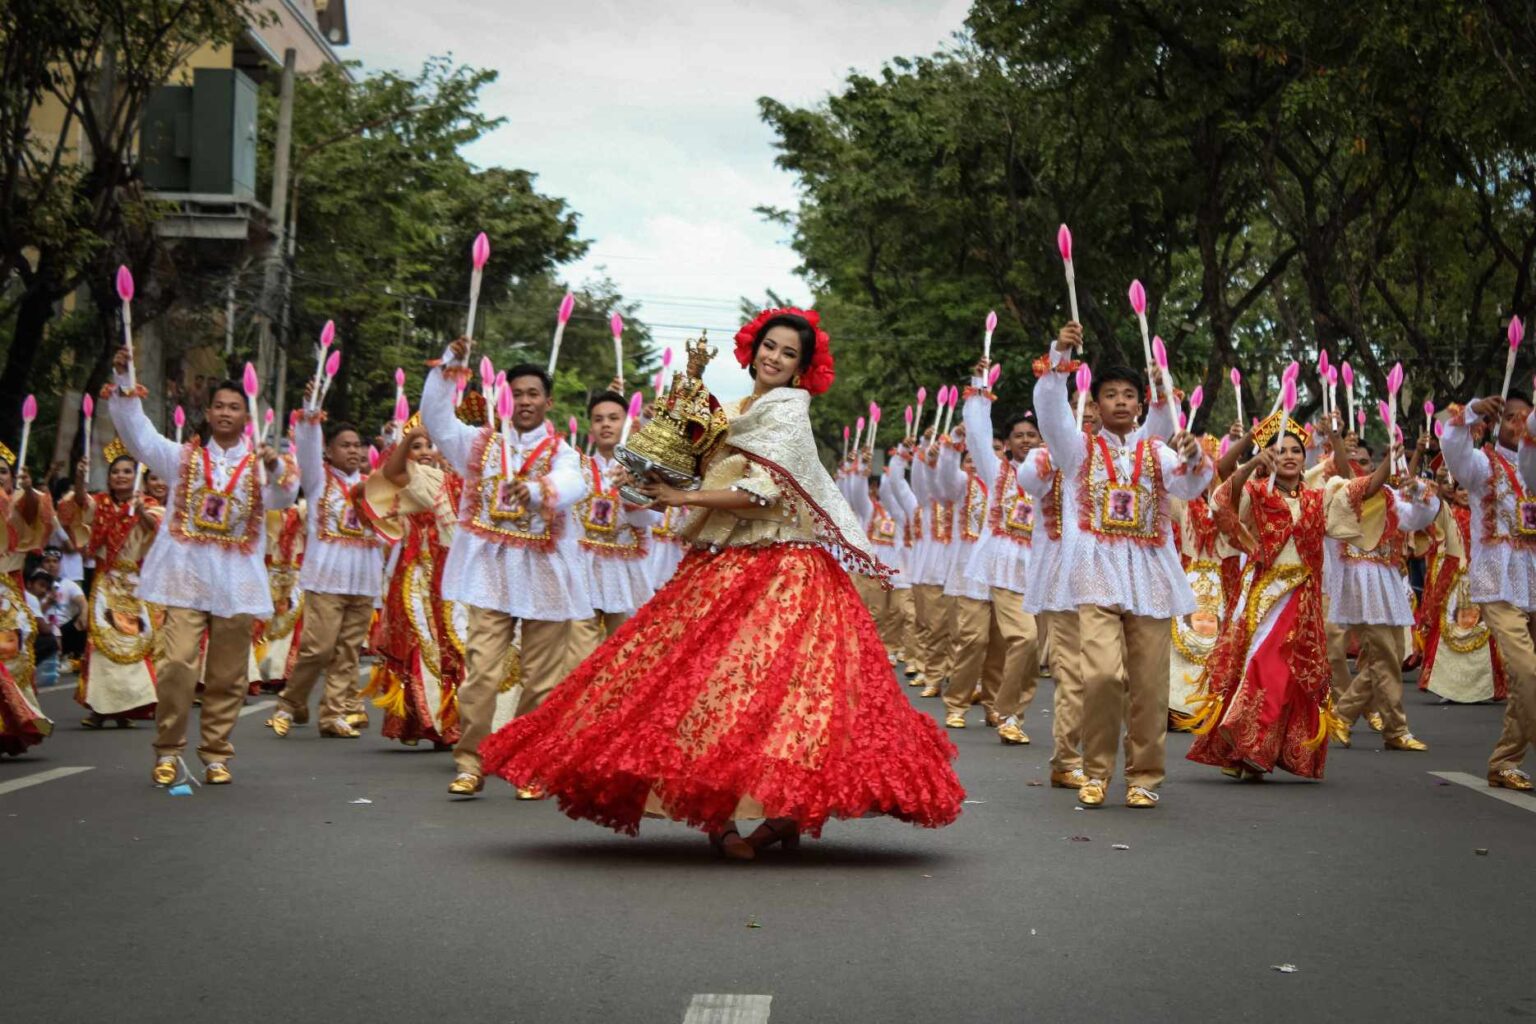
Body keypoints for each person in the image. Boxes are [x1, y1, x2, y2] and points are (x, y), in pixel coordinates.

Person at [478, 309, 964, 858]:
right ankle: (726, 816)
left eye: (788, 354)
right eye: (769, 346)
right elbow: (695, 472)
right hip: (720, 562)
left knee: (782, 696)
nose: (775, 358)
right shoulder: (732, 412)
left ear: (801, 369)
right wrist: (655, 475)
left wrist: (681, 497)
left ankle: (778, 813)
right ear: (753, 348)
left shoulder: (789, 413)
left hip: (785, 571)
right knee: (700, 688)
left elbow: (763, 493)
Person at [1034, 321, 1213, 809]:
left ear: (1140, 405)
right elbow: (1049, 410)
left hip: (1149, 576)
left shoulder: (1157, 450)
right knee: (1102, 676)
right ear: (1095, 405)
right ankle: (1096, 771)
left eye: (1129, 395)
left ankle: (1144, 777)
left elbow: (1188, 485)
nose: (1119, 402)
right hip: (1095, 572)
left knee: (1149, 684)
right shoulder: (1076, 449)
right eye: (1110, 394)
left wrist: (1194, 458)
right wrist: (1059, 356)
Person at [107, 348, 297, 785]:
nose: (226, 412)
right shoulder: (182, 459)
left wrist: (275, 467)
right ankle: (168, 750)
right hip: (186, 578)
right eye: (219, 406)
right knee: (176, 664)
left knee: (228, 675)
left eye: (235, 407)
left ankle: (215, 753)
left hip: (236, 581)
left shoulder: (259, 467)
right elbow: (139, 437)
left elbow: (284, 497)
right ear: (208, 413)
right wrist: (124, 381)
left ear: (246, 417)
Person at [419, 343, 596, 798]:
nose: (525, 401)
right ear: (504, 397)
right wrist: (449, 368)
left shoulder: (563, 453)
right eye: (516, 393)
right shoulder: (481, 445)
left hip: (545, 574)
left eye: (533, 394)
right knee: (481, 671)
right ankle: (470, 762)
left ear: (548, 402)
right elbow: (436, 421)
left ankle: (526, 764)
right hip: (491, 574)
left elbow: (574, 484)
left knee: (541, 678)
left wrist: (536, 492)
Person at [1185, 413, 1331, 779]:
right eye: (1280, 451)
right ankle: (1244, 748)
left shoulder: (1317, 498)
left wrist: (1345, 443)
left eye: (1295, 450)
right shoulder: (1258, 493)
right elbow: (1224, 499)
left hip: (1301, 596)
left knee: (1279, 670)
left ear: (1305, 458)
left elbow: (1363, 490)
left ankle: (1254, 747)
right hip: (1263, 592)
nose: (1288, 456)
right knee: (1255, 665)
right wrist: (1252, 462)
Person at [267, 404, 387, 740]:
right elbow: (306, 450)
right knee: (317, 649)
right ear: (329, 451)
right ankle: (290, 703)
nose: (353, 451)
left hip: (363, 580)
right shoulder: (318, 479)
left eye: (357, 446)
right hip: (326, 579)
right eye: (345, 445)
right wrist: (310, 416)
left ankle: (333, 715)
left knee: (348, 651)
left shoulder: (372, 485)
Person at [1435, 393, 1536, 791]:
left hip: (1533, 580)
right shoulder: (1482, 466)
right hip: (1499, 585)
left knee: (1527, 680)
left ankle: (1505, 761)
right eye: (1511, 417)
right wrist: (1473, 410)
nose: (1519, 424)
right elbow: (1452, 446)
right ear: (1497, 424)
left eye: (1526, 417)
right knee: (1526, 671)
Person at [1324, 435, 1440, 751]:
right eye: (1355, 462)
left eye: (1366, 461)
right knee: (1384, 657)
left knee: (1390, 656)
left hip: (1387, 582)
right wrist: (1390, 460)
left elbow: (1419, 516)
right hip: (1360, 583)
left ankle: (1342, 716)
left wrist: (1416, 488)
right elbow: (1365, 485)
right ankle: (1396, 729)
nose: (1361, 467)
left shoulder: (1388, 495)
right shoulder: (1340, 490)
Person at [946, 360, 1041, 743]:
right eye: (1018, 436)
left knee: (1019, 647)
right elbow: (979, 433)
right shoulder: (997, 471)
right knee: (1018, 639)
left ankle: (1003, 708)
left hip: (1040, 571)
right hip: (1001, 566)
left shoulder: (1054, 472)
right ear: (1009, 443)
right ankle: (997, 711)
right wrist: (978, 389)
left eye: (1032, 434)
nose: (1025, 441)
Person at [359, 419, 465, 748]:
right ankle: (428, 721)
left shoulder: (458, 481)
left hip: (454, 578)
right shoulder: (419, 481)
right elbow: (390, 475)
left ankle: (451, 720)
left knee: (455, 649)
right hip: (418, 578)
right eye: (417, 447)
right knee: (423, 647)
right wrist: (407, 440)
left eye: (429, 445)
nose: (425, 452)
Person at [57, 448, 163, 728]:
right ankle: (99, 709)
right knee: (102, 645)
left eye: (127, 471)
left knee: (133, 642)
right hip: (106, 581)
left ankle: (127, 707)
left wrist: (141, 512)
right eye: (115, 472)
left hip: (134, 583)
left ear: (136, 476)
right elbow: (78, 506)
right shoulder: (101, 503)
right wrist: (79, 479)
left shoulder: (149, 504)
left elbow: (159, 529)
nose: (120, 476)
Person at [577, 386, 660, 635]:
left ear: (627, 424)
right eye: (598, 419)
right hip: (583, 569)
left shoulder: (642, 469)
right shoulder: (575, 466)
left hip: (625, 569)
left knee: (624, 645)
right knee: (579, 648)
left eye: (613, 418)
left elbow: (651, 517)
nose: (605, 424)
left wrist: (629, 490)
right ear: (591, 429)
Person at [0, 447, 55, 755]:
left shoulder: (20, 507)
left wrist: (30, 491)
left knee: (10, 660)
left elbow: (39, 518)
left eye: (3, 471)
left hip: (7, 598)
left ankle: (12, 729)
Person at [24, 568, 61, 691]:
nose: (44, 590)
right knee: (50, 641)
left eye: (46, 587)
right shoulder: (30, 597)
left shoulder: (24, 595)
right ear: (29, 584)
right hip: (19, 641)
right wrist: (51, 626)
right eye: (41, 585)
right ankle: (28, 670)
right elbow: (44, 629)